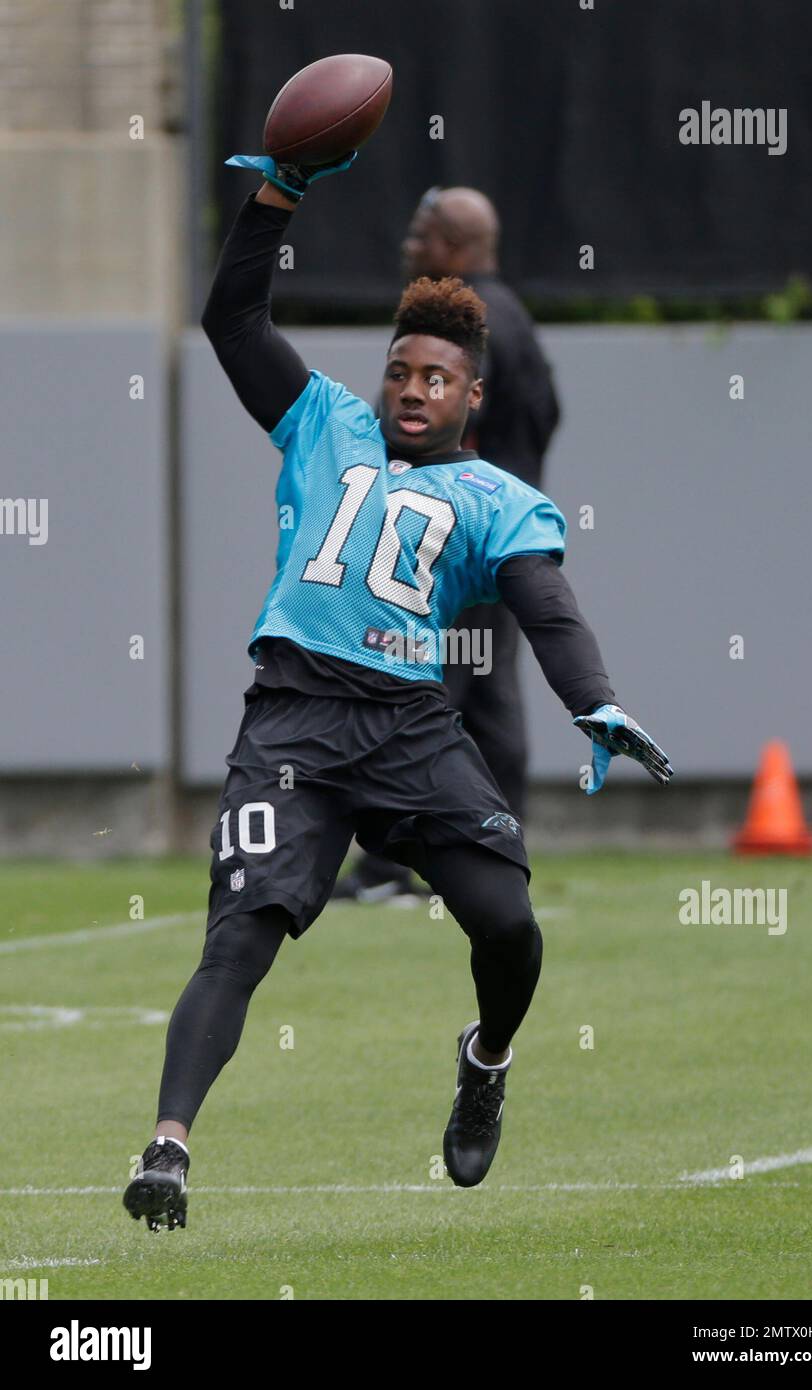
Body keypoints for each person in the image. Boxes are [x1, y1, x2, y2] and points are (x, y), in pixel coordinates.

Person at [123, 149, 672, 1232]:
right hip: (293, 718)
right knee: (240, 936)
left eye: (436, 379)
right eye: (400, 371)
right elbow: (234, 317)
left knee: (507, 926)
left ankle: (486, 1058)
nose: (412, 391)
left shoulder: (492, 496)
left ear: (474, 393)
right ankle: (168, 1146)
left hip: (411, 726)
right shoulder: (322, 421)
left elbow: (543, 606)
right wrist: (275, 194)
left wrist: (592, 698)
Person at [334, 186, 561, 904]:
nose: (409, 247)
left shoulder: (468, 325)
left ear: (457, 248)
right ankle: (497, 854)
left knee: (414, 693)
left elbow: (410, 425)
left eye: (422, 235)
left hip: (451, 543)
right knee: (487, 699)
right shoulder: (514, 316)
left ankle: (388, 864)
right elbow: (547, 415)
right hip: (495, 538)